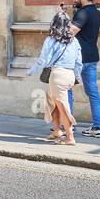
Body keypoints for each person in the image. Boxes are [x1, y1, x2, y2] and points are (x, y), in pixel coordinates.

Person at [25, 8, 82, 145]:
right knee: (53, 102)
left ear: (54, 24)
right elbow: (79, 62)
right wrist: (76, 77)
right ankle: (56, 130)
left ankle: (69, 137)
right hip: (69, 74)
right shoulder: (74, 41)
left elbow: (44, 59)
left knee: (62, 106)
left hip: (57, 75)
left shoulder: (51, 40)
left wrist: (31, 71)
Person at [69, 0, 100, 139]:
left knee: (66, 90)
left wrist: (61, 17)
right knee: (93, 92)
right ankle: (98, 127)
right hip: (92, 57)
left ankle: (67, 125)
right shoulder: (96, 12)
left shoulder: (83, 13)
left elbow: (69, 33)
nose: (74, 0)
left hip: (78, 59)